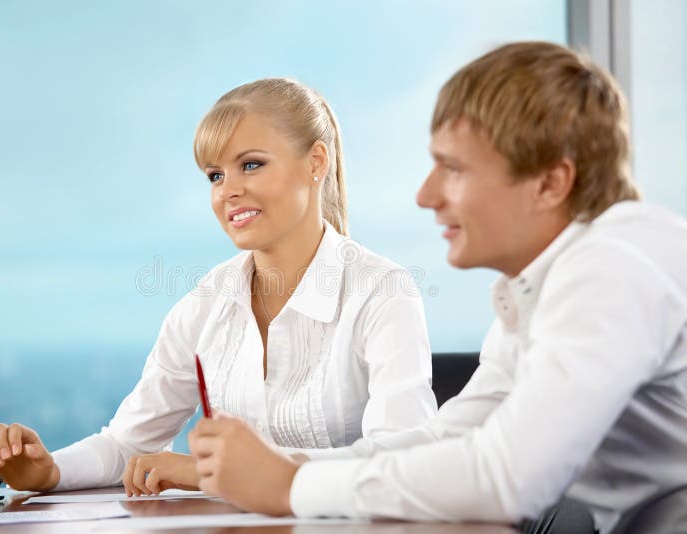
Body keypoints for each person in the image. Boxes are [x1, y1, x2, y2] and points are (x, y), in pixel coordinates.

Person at [188, 42, 687, 533]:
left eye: (453, 169)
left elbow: (503, 477)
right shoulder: (538, 293)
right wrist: (284, 471)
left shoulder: (611, 267)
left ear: (550, 183)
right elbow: (447, 440)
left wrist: (289, 488)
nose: (425, 195)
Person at [0, 78, 438, 496]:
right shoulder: (205, 304)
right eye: (215, 175)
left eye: (251, 165)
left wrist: (217, 472)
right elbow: (128, 443)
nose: (227, 191)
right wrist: (48, 472)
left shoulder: (382, 292)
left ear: (315, 161)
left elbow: (402, 461)